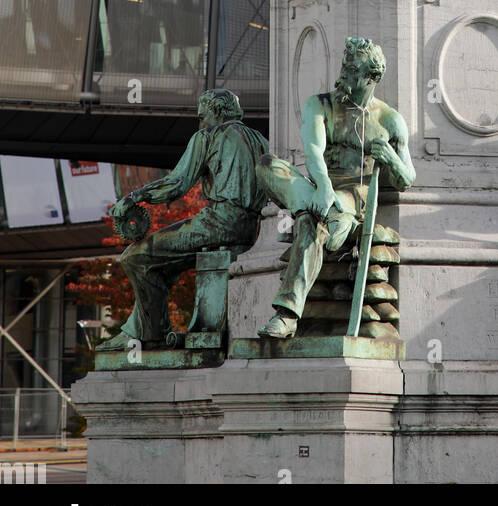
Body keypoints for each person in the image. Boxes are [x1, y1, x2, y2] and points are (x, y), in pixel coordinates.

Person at [256, 37, 415, 340]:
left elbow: (406, 178)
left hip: (352, 199)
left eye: (352, 70)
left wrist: (391, 159)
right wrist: (323, 188)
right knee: (266, 165)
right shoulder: (320, 104)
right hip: (317, 189)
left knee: (306, 221)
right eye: (344, 65)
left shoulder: (390, 121)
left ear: (373, 77)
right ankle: (329, 214)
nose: (343, 74)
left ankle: (287, 316)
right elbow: (313, 151)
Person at [97, 88, 269, 349]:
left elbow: (178, 183)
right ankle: (141, 329)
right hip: (251, 228)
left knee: (136, 257)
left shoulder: (209, 136)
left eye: (203, 116)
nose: (201, 122)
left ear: (217, 112)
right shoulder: (260, 140)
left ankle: (150, 336)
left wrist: (134, 197)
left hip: (219, 223)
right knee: (159, 262)